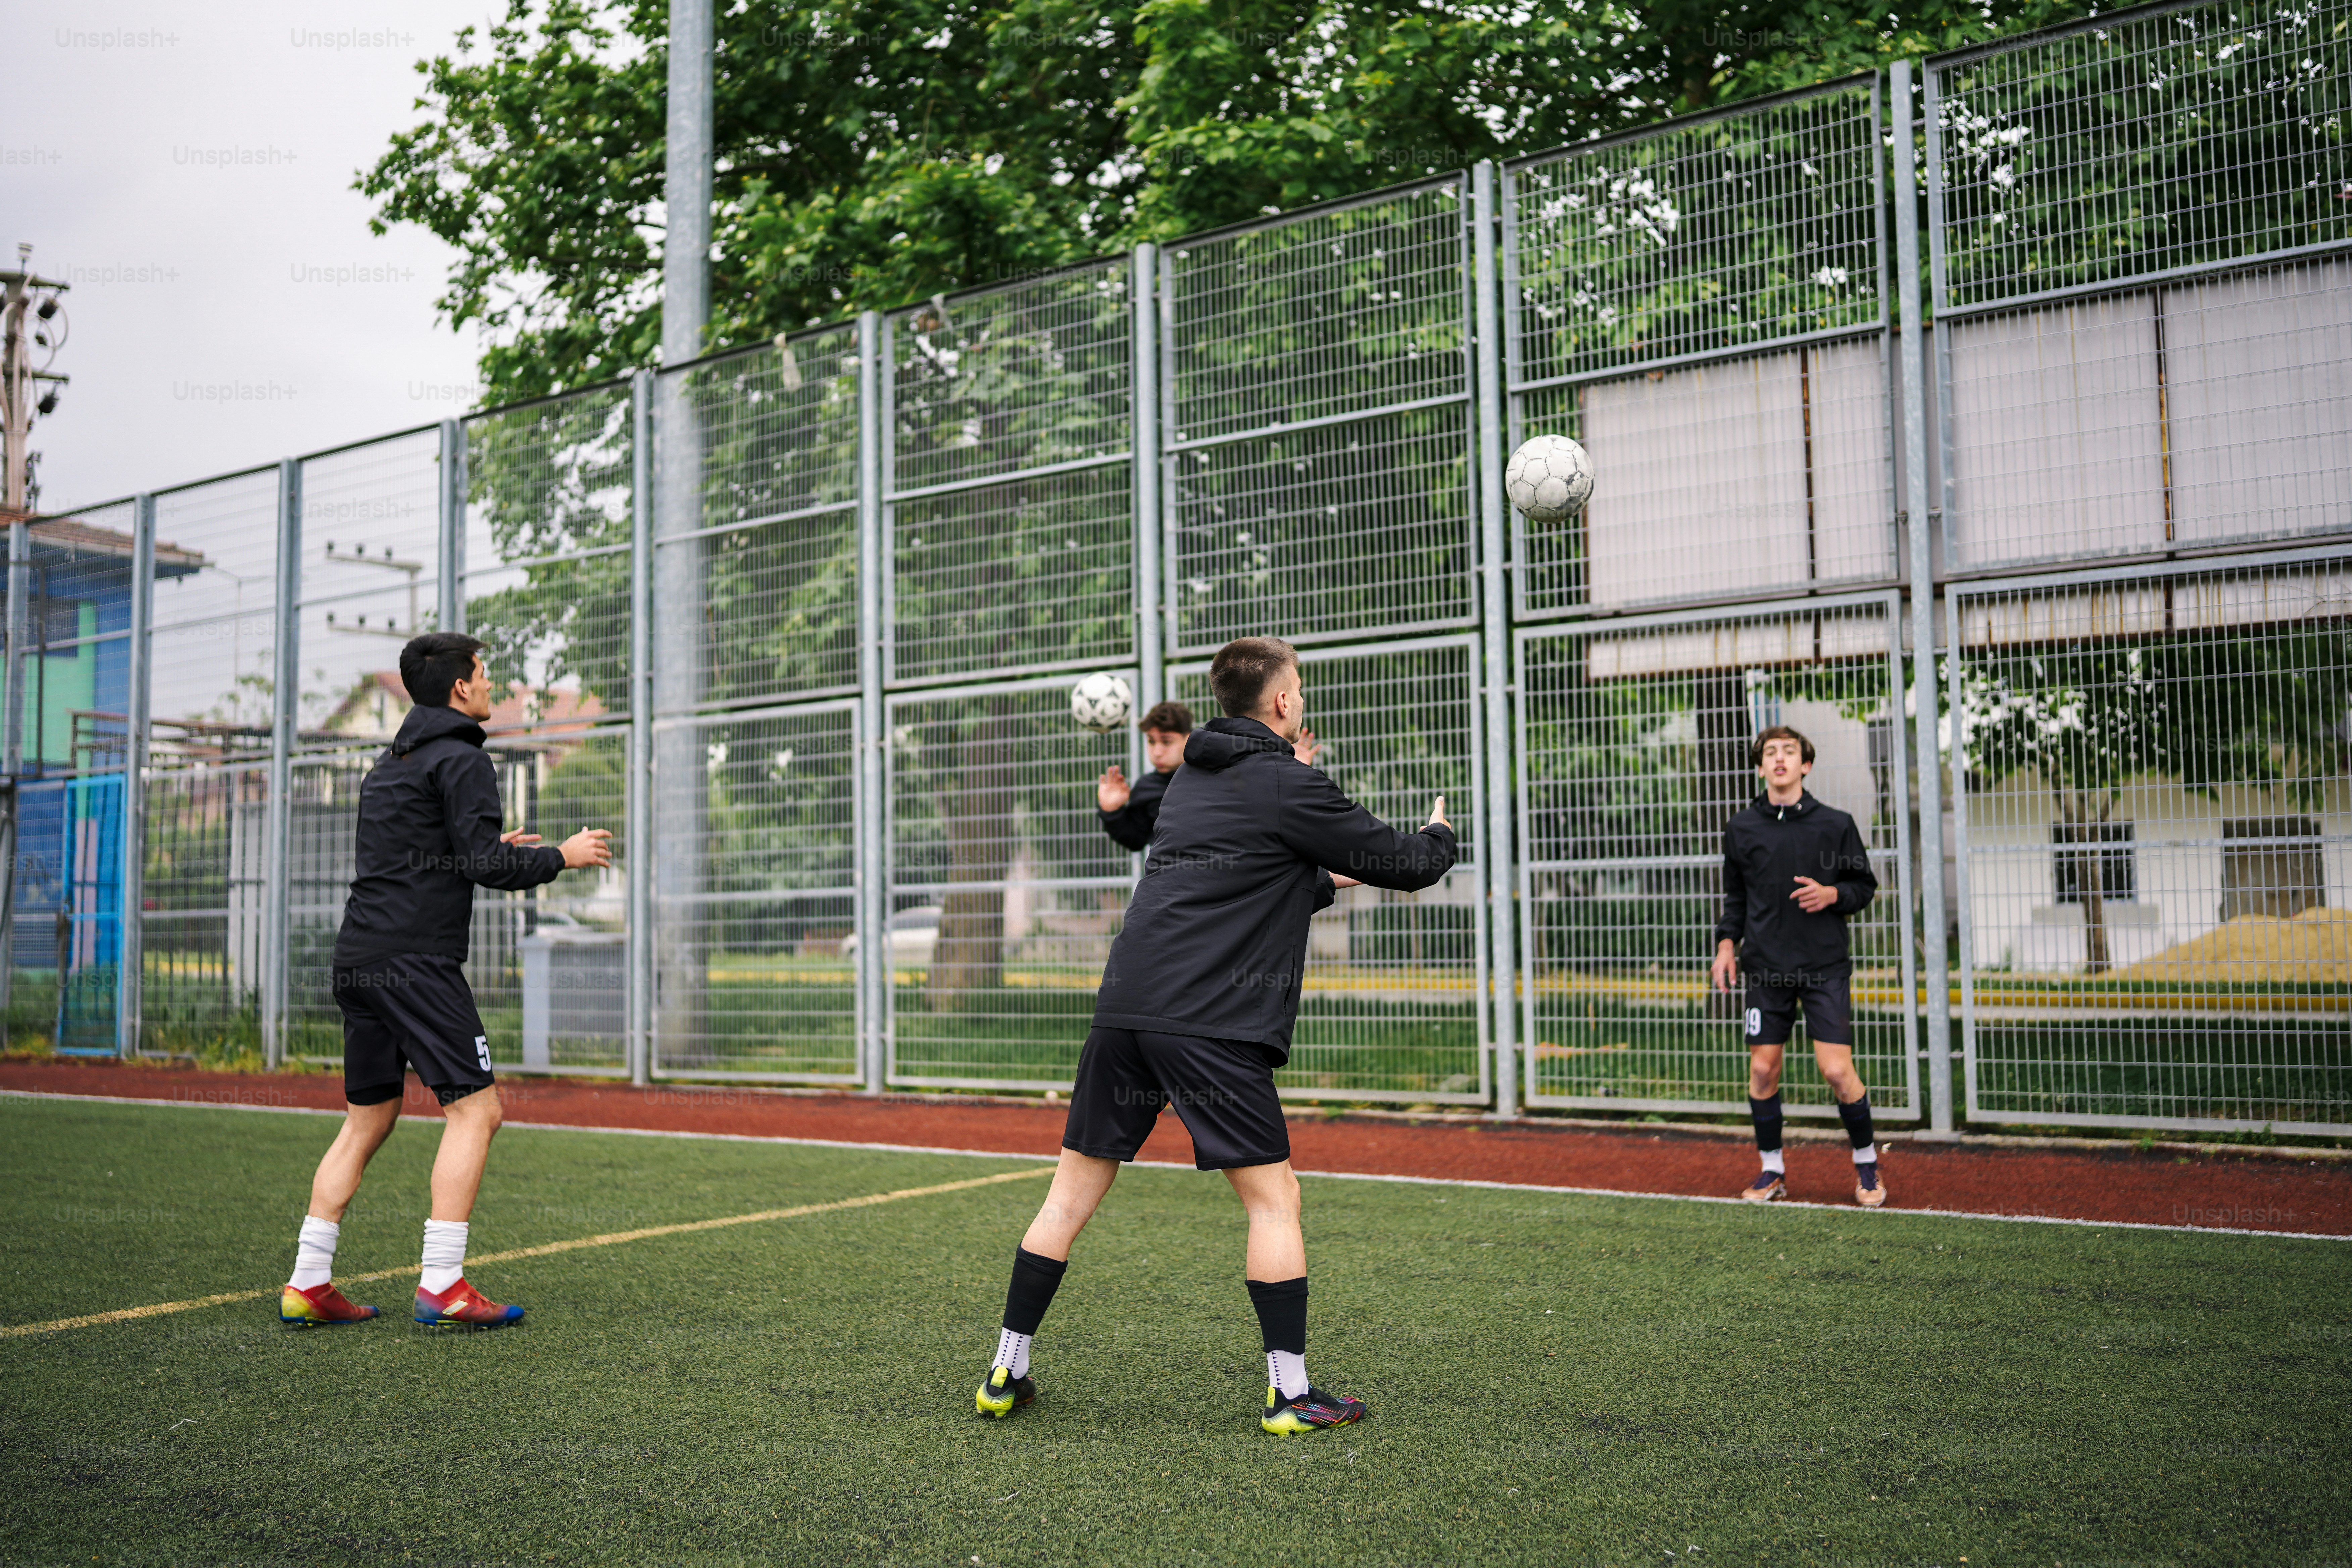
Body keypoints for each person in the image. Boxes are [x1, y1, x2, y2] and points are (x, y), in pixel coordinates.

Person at [977, 635, 1454, 1434]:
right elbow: (1403, 861)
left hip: (1126, 1008)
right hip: (1208, 1024)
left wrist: (1332, 873)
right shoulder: (1284, 781)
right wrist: (1438, 834)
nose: (1299, 696)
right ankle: (1291, 1395)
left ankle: (1005, 1369)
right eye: (1295, 686)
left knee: (1067, 1197)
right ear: (1280, 702)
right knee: (1275, 1201)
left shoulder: (1190, 778)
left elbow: (1245, 873)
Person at [278, 632, 612, 1329]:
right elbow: (486, 867)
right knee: (477, 1109)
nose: (492, 685)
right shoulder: (462, 758)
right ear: (461, 687)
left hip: (360, 955)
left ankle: (307, 1281)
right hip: (414, 963)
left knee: (367, 1118)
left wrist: (492, 851)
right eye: (486, 674)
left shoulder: (387, 766)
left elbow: (446, 855)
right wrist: (563, 856)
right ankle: (443, 1284)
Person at [1709, 725, 1885, 1209]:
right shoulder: (1742, 828)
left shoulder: (1835, 824)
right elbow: (1735, 897)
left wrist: (1833, 894)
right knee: (1763, 1069)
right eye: (1771, 753)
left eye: (1790, 752)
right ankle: (1773, 1171)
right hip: (1765, 969)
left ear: (1805, 765)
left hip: (1823, 966)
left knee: (1836, 1070)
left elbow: (1863, 888)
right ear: (1761, 766)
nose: (1781, 759)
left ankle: (1867, 1164)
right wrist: (1728, 944)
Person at [1096, 700, 1321, 851]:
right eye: (1151, 742)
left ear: (1188, 738)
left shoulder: (1218, 770)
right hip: (1174, 883)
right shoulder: (1146, 787)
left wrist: (1291, 770)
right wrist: (1112, 812)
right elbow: (1135, 839)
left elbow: (1262, 805)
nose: (1157, 751)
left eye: (1166, 742)